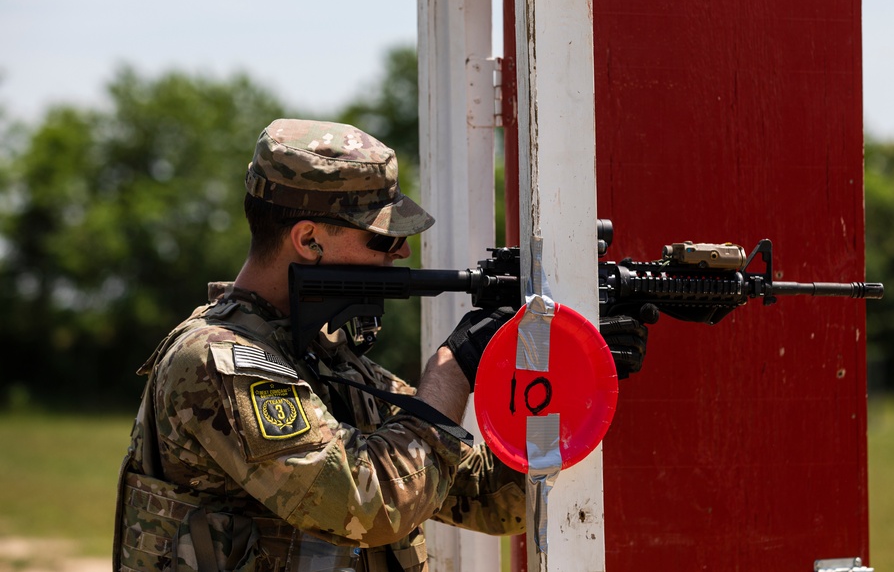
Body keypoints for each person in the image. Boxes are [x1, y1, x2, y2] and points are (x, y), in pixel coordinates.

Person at [114, 119, 653, 572]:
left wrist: (563, 378)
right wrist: (451, 370)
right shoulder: (217, 359)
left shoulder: (319, 359)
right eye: (381, 238)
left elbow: (495, 500)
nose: (399, 253)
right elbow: (364, 504)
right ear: (309, 240)